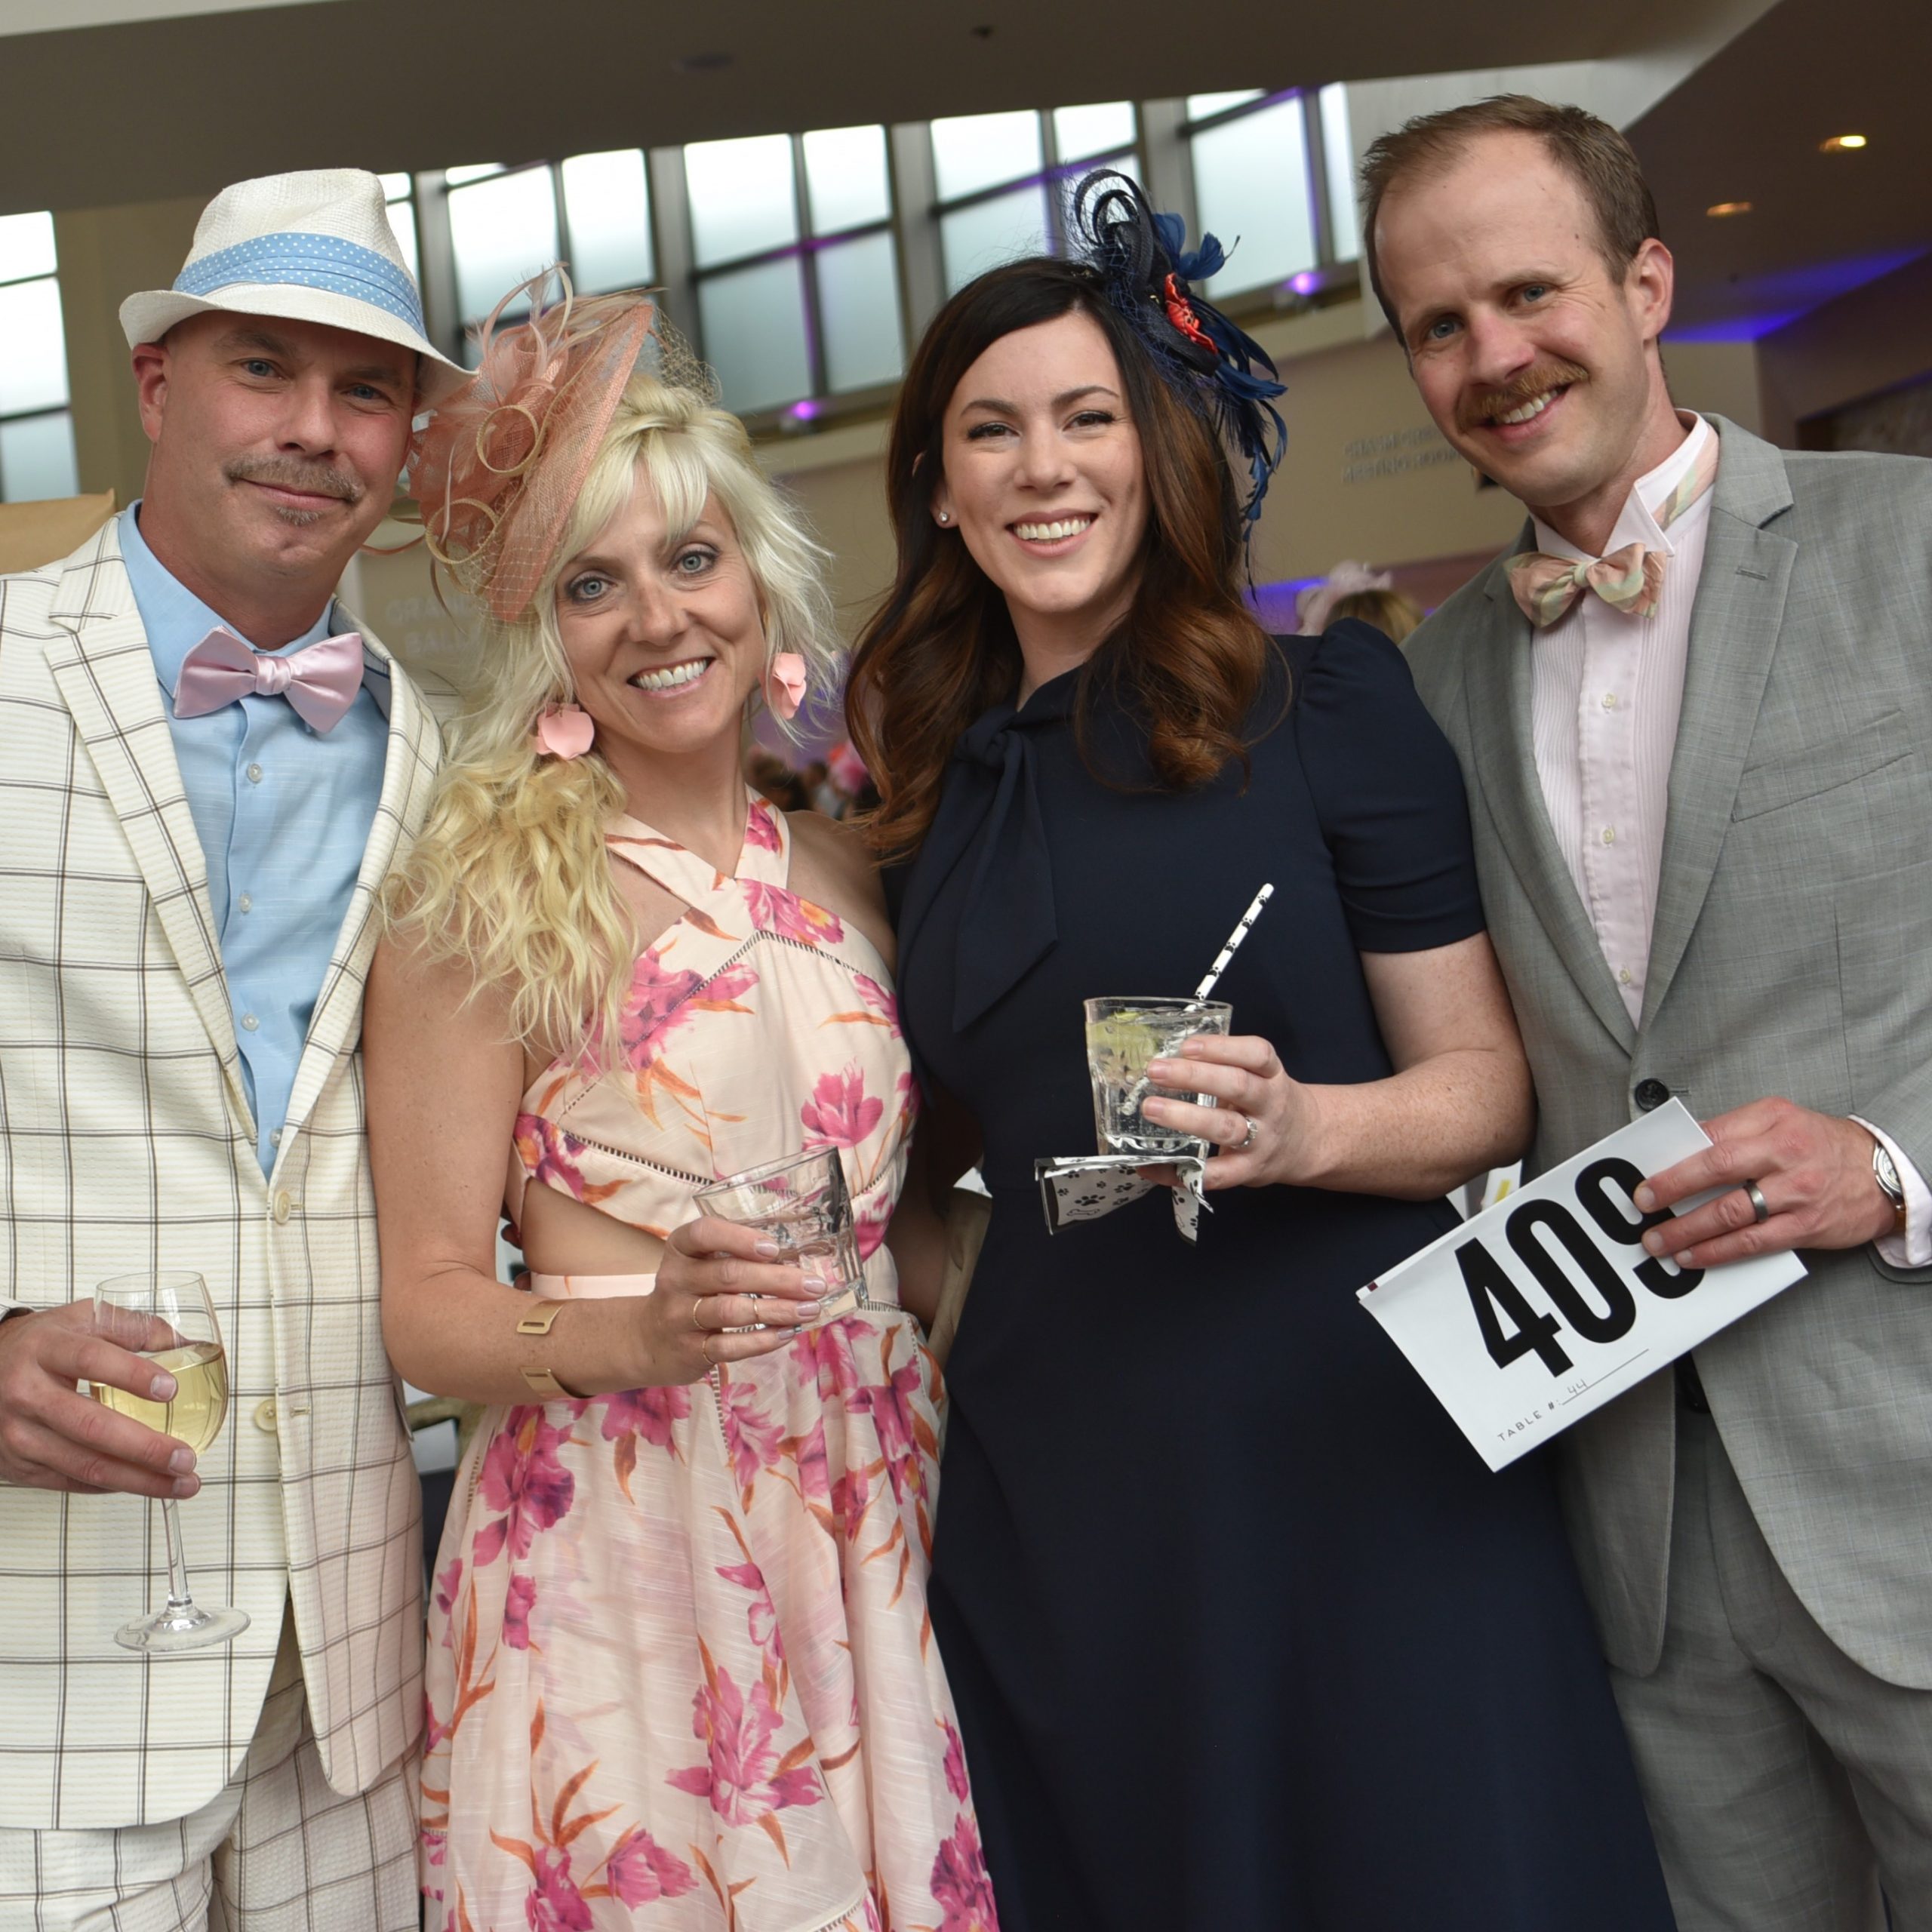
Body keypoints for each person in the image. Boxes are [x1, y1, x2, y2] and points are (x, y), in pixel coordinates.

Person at [846, 171, 1675, 1931]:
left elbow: (1480, 1087)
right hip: (1064, 1499)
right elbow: (906, 1171)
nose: (1041, 465)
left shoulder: (1325, 709)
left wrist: (1305, 1128)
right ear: (936, 482)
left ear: (1154, 447)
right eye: (988, 430)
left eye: (1084, 417)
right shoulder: (914, 806)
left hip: (1358, 1456)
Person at [365, 280, 996, 1932]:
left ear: (759, 583)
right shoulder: (478, 901)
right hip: (614, 1529)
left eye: (690, 559)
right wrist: (633, 1333)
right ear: (541, 633)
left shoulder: (853, 872)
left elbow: (910, 1231)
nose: (657, 617)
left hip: (869, 1502)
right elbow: (427, 1306)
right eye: (594, 582)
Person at [1365, 94, 1932, 1930]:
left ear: (1645, 277)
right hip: (1634, 1546)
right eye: (1435, 325)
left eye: (1526, 292)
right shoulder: (1422, 691)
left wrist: (1886, 1162)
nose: (1490, 356)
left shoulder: (1907, 552)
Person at [0, 170, 458, 1927]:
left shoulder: (441, 755)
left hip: (348, 1674)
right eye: (265, 369)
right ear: (159, 384)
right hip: (49, 1666)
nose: (315, 431)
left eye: (365, 392)